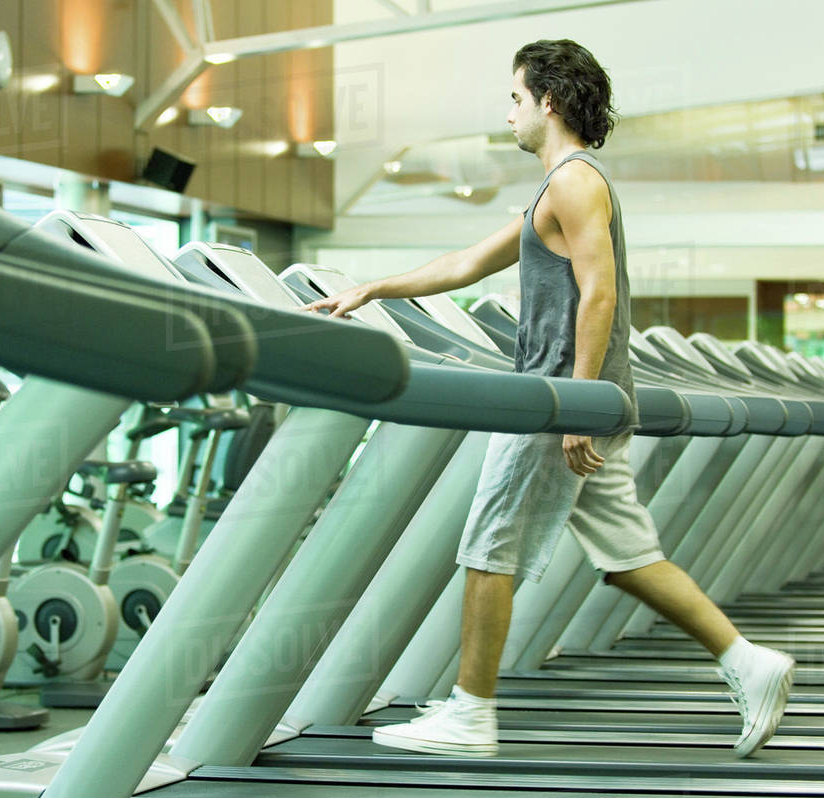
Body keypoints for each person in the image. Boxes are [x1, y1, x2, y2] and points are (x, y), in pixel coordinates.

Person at [303, 39, 794, 759]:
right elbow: (468, 262)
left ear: (549, 101)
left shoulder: (575, 183)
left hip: (555, 401)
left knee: (489, 546)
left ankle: (472, 714)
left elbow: (599, 293)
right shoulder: (559, 187)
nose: (509, 113)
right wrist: (371, 288)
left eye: (515, 98)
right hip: (575, 397)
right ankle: (748, 661)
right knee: (626, 554)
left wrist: (575, 403)